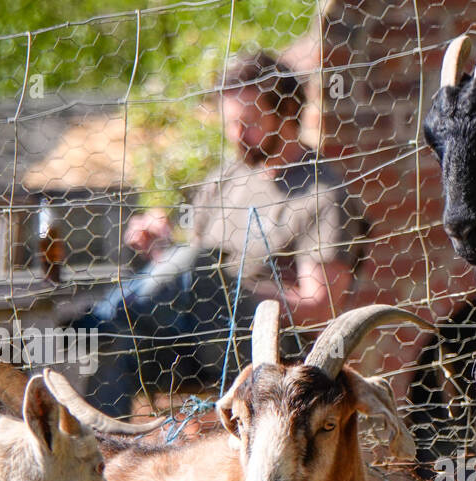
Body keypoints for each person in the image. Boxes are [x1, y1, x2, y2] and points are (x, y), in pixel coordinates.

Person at [82, 50, 366, 416]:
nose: (236, 134)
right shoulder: (227, 178)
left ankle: (98, 318)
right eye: (230, 123)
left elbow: (320, 307)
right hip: (196, 337)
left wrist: (228, 285)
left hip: (266, 349)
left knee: (198, 265)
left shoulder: (322, 193)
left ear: (287, 112)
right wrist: (162, 248)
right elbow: (188, 276)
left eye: (247, 122)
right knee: (116, 344)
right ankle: (101, 455)